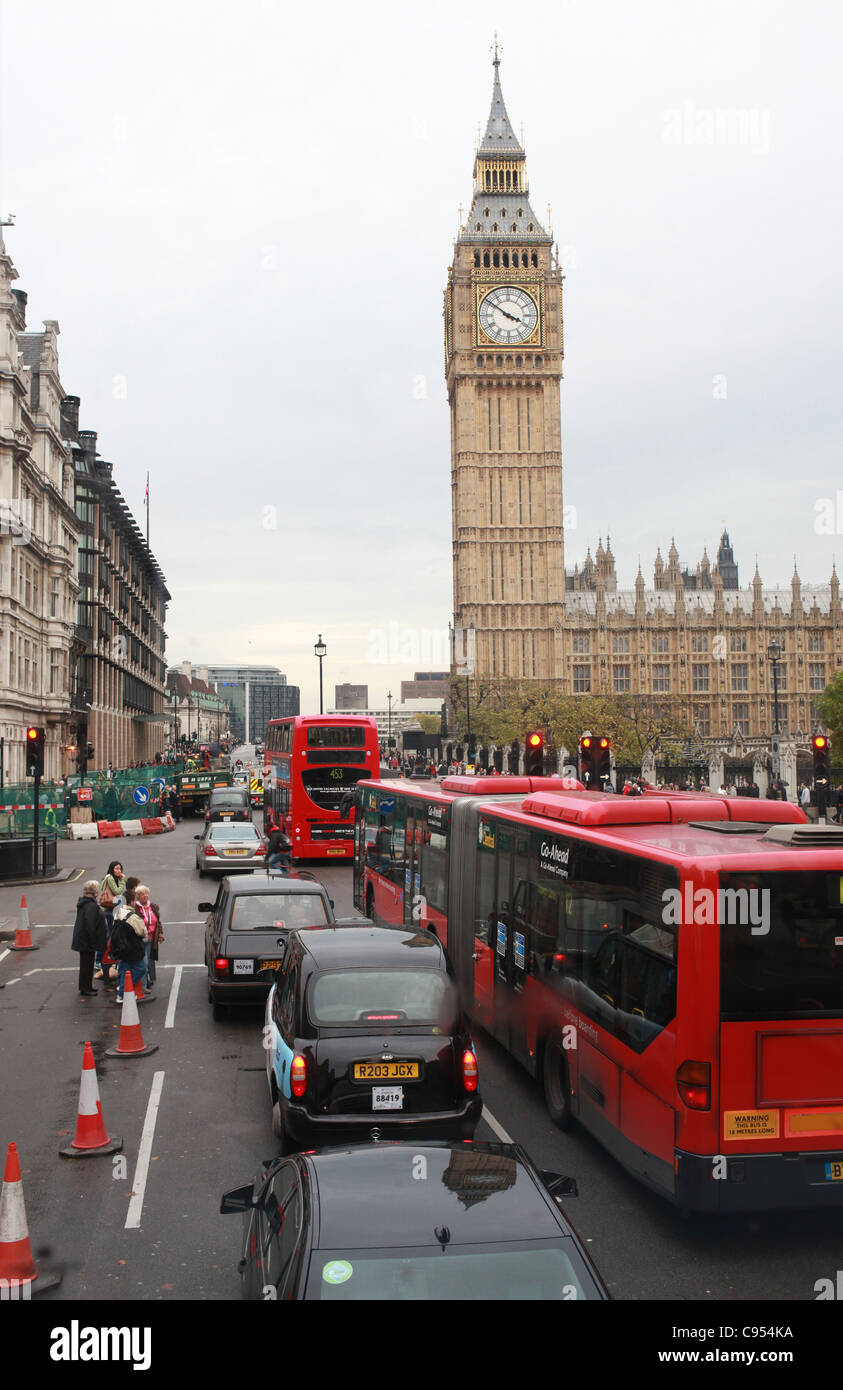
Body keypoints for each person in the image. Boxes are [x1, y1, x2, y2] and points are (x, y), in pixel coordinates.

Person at [110, 885, 148, 1002]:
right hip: (132, 949)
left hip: (121, 947)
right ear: (132, 901)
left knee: (124, 969)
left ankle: (120, 992)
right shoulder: (133, 916)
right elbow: (143, 932)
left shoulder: (118, 913)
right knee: (141, 968)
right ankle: (123, 991)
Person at [72, 881, 108, 996]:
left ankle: (86, 986)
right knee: (87, 965)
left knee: (86, 964)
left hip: (84, 939)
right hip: (87, 941)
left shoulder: (86, 903)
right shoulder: (91, 905)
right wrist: (94, 940)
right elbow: (90, 924)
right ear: (95, 891)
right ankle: (85, 987)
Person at [95, 860, 126, 980]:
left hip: (110, 909)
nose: (119, 871)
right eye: (117, 869)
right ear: (112, 869)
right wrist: (123, 880)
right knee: (109, 937)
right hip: (109, 910)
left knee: (109, 936)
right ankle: (100, 961)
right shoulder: (111, 878)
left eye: (120, 869)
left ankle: (102, 960)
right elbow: (118, 892)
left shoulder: (109, 878)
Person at [135, 886, 159, 988]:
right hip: (140, 939)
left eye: (146, 893)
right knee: (143, 964)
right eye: (142, 894)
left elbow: (158, 921)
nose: (145, 896)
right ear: (137, 897)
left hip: (150, 939)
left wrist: (160, 933)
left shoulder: (153, 906)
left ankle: (146, 982)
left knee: (149, 961)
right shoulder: (135, 909)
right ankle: (143, 987)